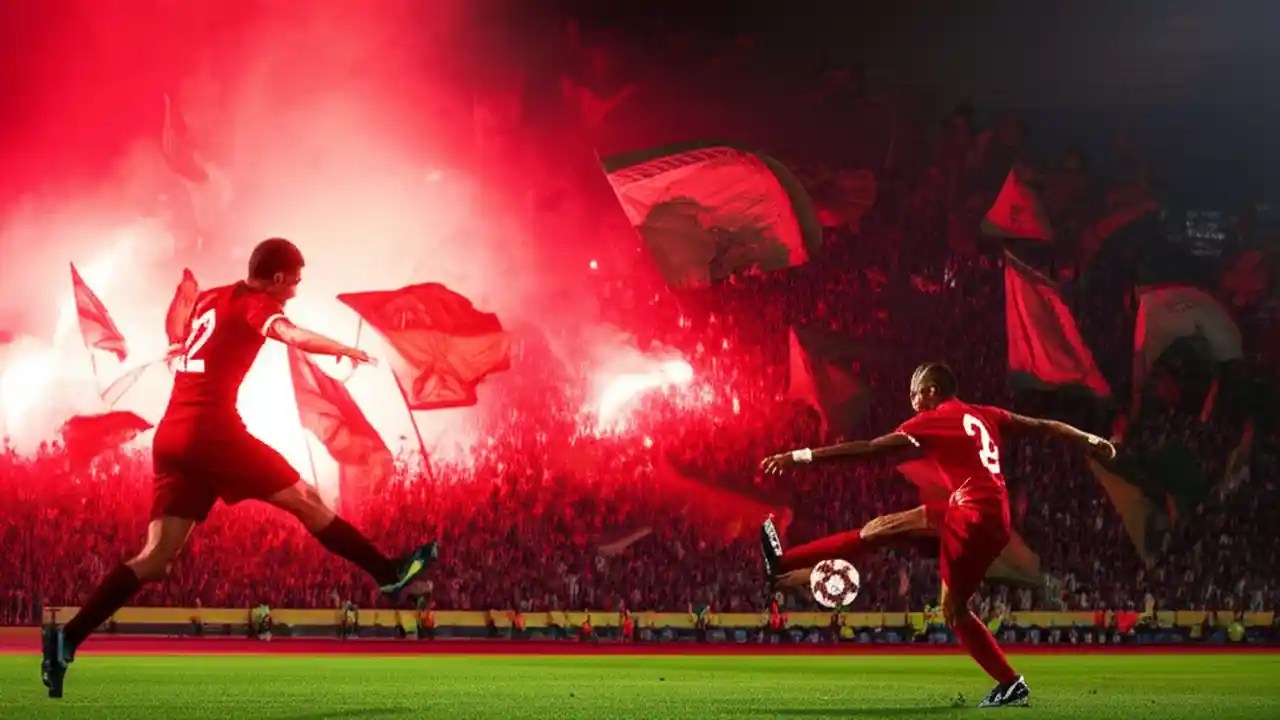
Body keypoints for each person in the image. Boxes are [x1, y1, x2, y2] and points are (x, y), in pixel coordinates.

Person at [42, 238, 438, 699]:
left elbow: (190, 337)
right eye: (293, 281)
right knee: (307, 501)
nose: (295, 289)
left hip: (174, 436)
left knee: (153, 559)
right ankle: (388, 572)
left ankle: (67, 638)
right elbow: (289, 334)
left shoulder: (213, 296)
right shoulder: (256, 305)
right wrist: (339, 349)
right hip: (214, 434)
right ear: (275, 278)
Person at [759, 362, 1115, 708]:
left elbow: (869, 449)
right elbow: (1043, 426)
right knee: (889, 535)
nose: (912, 402)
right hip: (984, 513)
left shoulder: (934, 419)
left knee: (946, 602)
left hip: (971, 514)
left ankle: (1010, 683)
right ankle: (786, 563)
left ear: (930, 392)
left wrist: (800, 455)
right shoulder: (984, 414)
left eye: (914, 394)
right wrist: (1090, 439)